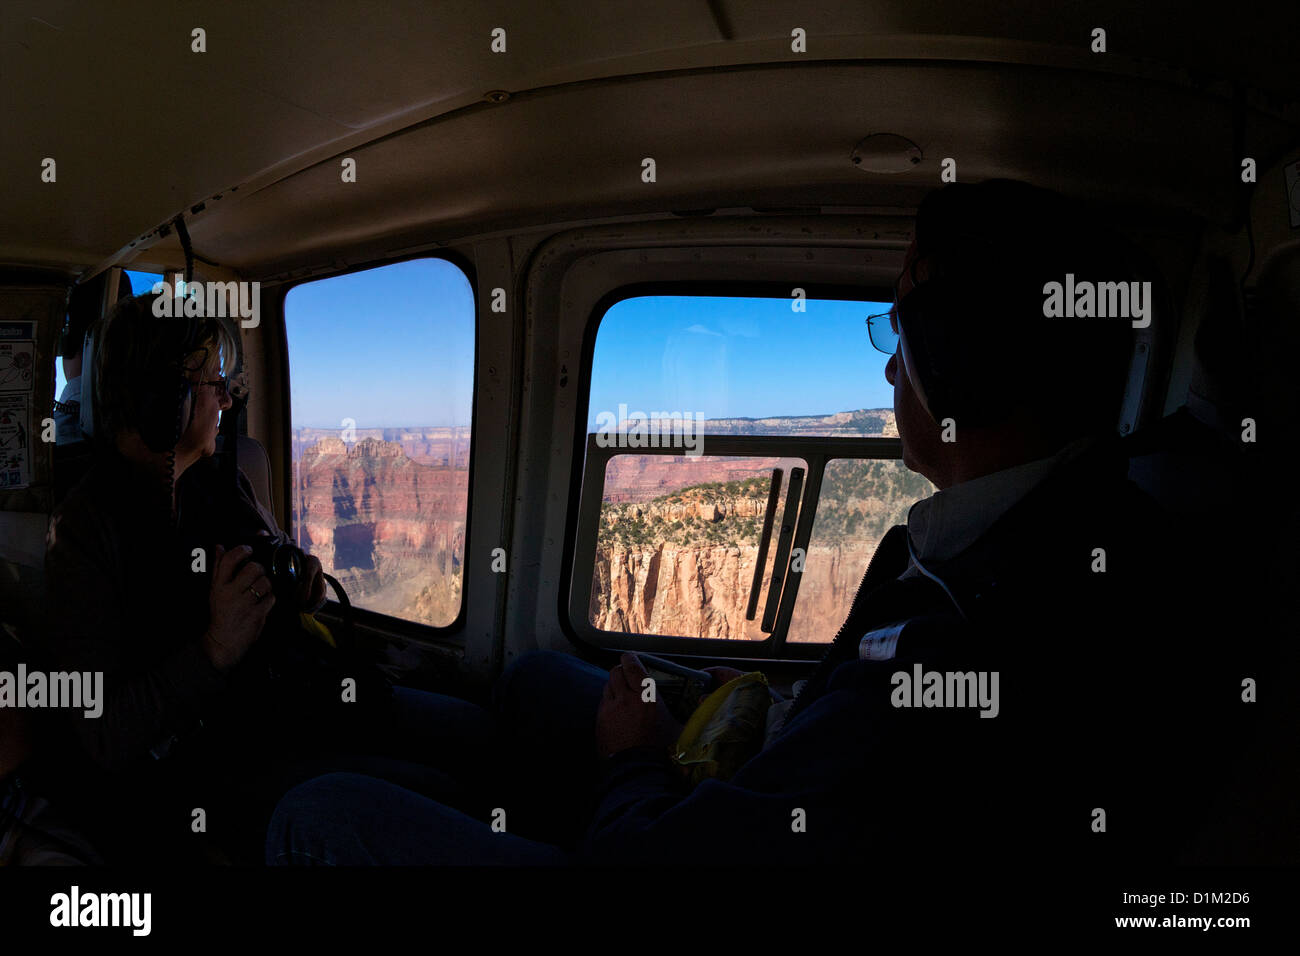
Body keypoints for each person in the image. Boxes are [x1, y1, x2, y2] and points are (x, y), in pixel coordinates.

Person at [267, 180, 1254, 865]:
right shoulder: (1018, 530)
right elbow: (845, 714)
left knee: (316, 814)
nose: (885, 367)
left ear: (966, 358)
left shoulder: (994, 634)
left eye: (901, 328)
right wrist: (740, 697)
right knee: (529, 675)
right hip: (772, 788)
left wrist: (637, 763)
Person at [39, 292, 483, 864]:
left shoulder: (220, 478)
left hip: (290, 699)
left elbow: (279, 561)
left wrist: (301, 579)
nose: (227, 398)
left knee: (473, 735)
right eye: (213, 381)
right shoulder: (83, 530)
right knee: (444, 799)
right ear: (160, 397)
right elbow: (99, 733)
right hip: (217, 767)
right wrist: (214, 650)